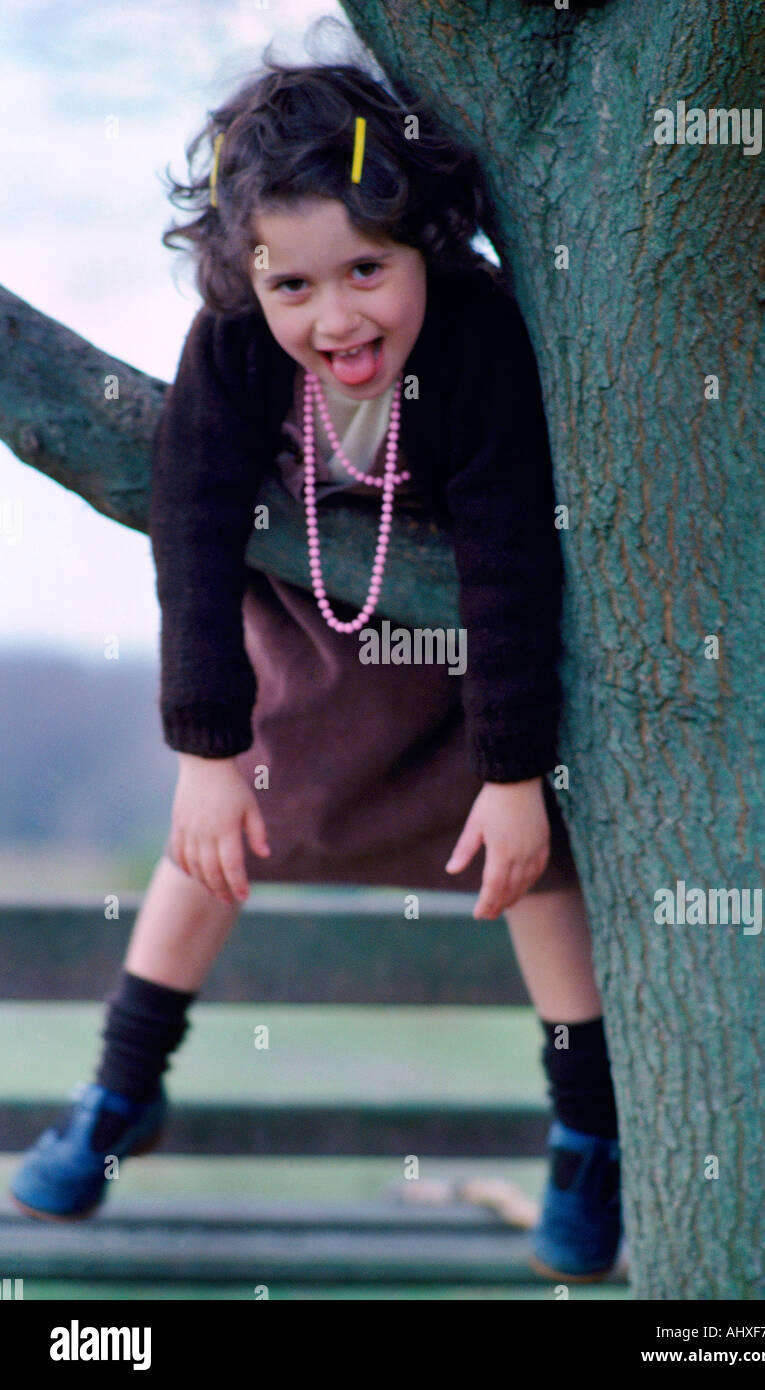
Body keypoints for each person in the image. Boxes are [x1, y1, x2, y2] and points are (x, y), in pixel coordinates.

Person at [10, 50, 621, 1283]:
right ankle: (123, 1092)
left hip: (459, 683)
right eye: (292, 282)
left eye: (366, 270)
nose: (334, 318)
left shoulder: (480, 335)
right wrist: (207, 755)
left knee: (541, 864)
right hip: (299, 666)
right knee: (213, 844)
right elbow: (188, 530)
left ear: (428, 248)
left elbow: (510, 559)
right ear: (243, 276)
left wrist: (511, 774)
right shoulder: (236, 348)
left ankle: (585, 1134)